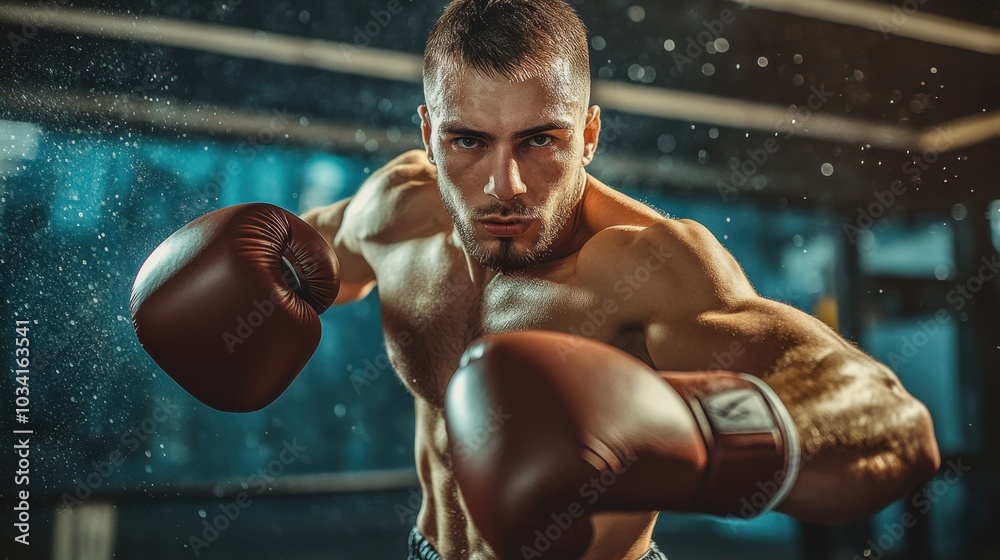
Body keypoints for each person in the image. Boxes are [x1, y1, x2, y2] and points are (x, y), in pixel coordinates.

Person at [130, 0, 940, 558]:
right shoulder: (394, 211)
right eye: (468, 141)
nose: (504, 185)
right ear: (428, 132)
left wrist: (695, 435)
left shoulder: (649, 264)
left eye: (540, 140)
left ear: (589, 134)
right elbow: (312, 271)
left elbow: (892, 424)